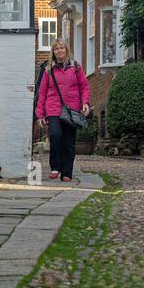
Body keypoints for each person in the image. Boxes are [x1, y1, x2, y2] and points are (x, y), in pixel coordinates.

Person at [35, 39, 92, 182]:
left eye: (62, 48)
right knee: (55, 135)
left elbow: (84, 87)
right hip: (53, 108)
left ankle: (67, 172)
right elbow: (42, 93)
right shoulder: (48, 69)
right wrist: (40, 114)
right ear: (53, 52)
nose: (59, 51)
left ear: (66, 50)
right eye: (56, 49)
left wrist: (85, 102)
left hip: (72, 109)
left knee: (68, 142)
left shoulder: (76, 67)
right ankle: (55, 166)